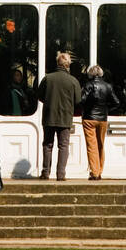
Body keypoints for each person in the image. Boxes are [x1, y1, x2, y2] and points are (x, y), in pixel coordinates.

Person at [37, 51, 82, 180]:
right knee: (63, 146)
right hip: (65, 117)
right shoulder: (73, 81)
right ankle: (61, 174)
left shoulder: (47, 78)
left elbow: (39, 96)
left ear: (57, 63)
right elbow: (78, 101)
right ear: (68, 64)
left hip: (49, 116)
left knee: (47, 144)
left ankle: (45, 172)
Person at [79, 65, 118, 179]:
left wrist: (86, 109)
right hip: (102, 119)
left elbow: (81, 100)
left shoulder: (88, 85)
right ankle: (99, 170)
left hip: (89, 118)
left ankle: (94, 172)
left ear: (90, 74)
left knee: (92, 145)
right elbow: (117, 102)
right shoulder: (108, 86)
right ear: (101, 74)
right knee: (100, 144)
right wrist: (106, 110)